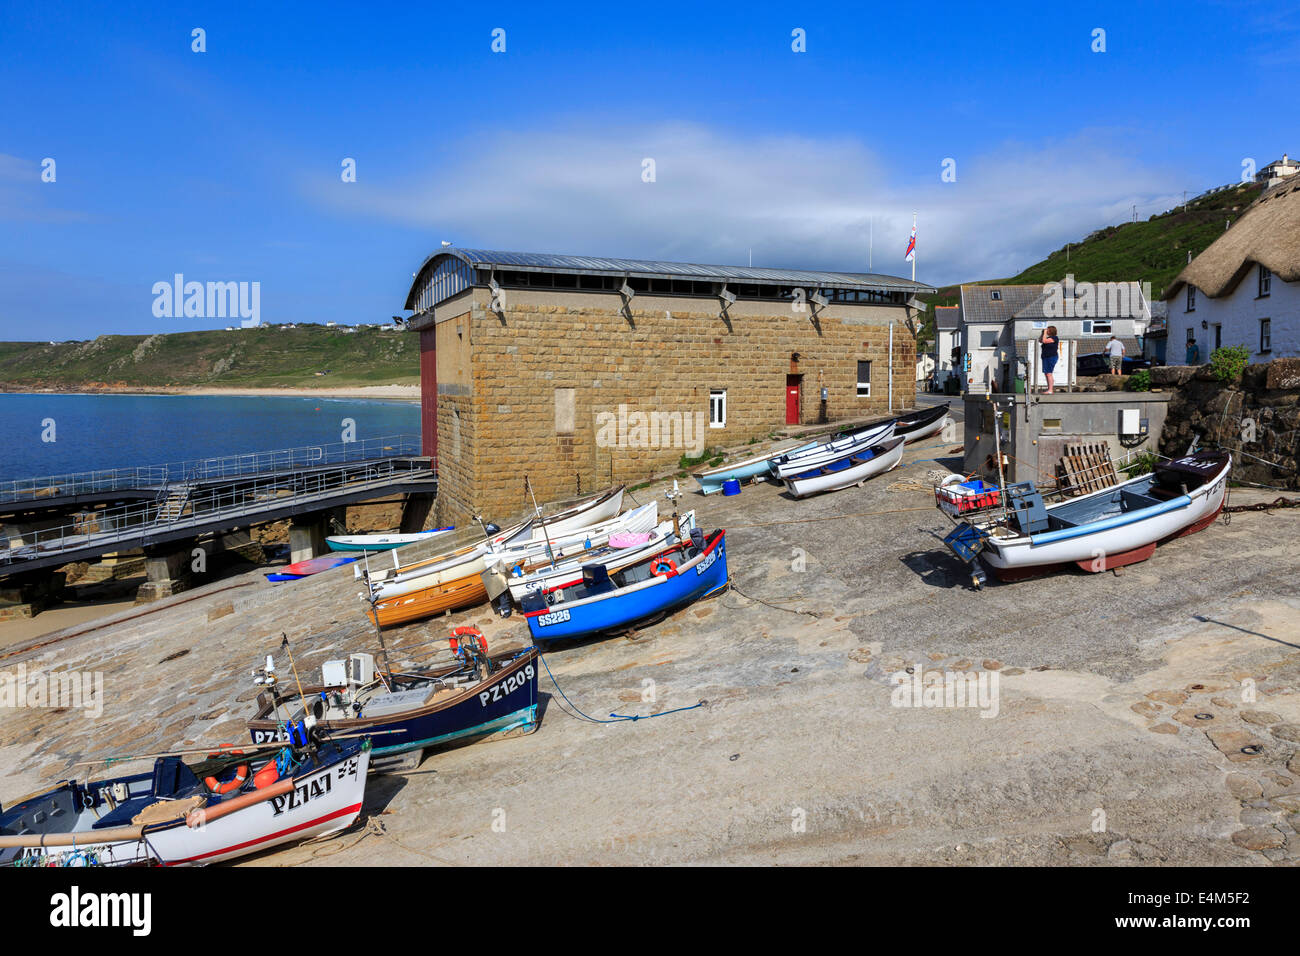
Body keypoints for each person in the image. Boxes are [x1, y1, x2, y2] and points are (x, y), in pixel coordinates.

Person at [1039, 325, 1059, 394]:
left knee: (1049, 373)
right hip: (1046, 357)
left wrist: (1044, 333)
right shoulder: (1048, 337)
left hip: (1051, 357)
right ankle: (1049, 389)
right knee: (1047, 373)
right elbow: (1040, 340)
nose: (1046, 331)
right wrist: (1042, 333)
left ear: (1050, 331)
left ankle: (1050, 390)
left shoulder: (1054, 338)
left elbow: (1044, 341)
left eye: (1047, 330)